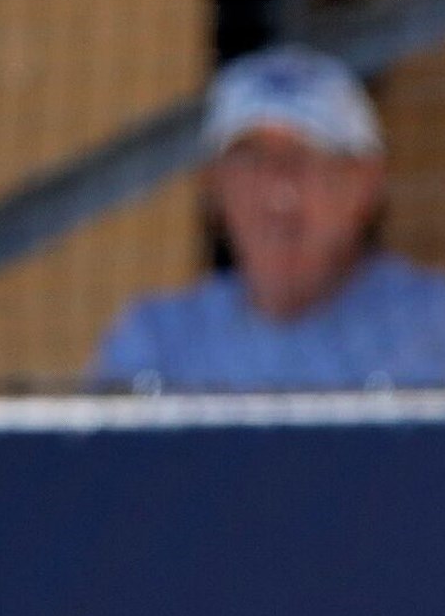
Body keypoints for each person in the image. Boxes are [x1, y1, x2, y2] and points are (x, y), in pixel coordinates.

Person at [92, 45, 445, 392]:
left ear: (366, 180)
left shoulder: (433, 329)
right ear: (212, 183)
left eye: (305, 156)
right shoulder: (158, 344)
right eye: (250, 157)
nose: (278, 189)